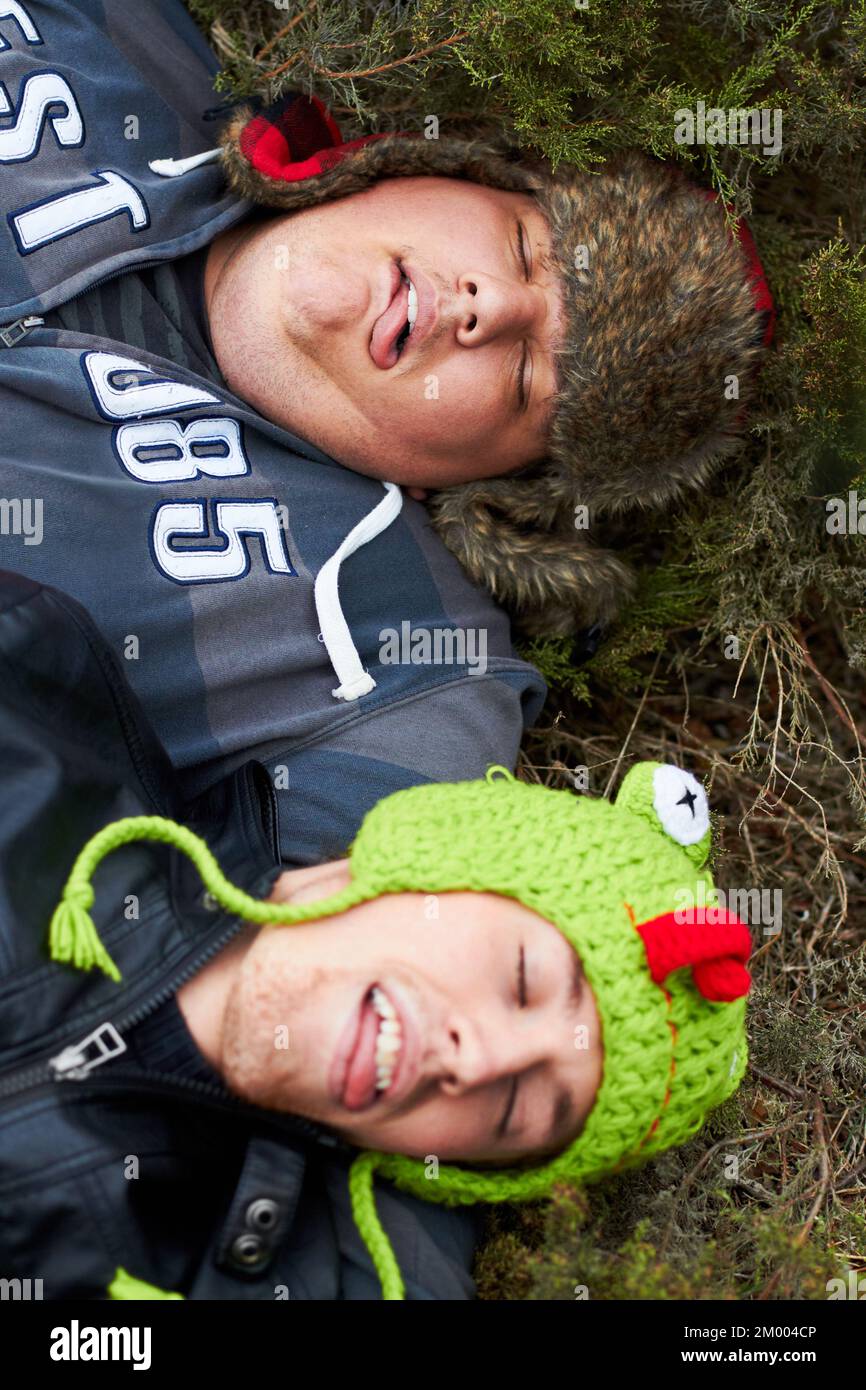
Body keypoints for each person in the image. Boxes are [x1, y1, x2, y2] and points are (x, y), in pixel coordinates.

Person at [0, 572, 751, 1301]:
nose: (479, 1062)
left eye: (514, 1111)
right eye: (522, 979)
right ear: (423, 857)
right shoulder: (27, 676)